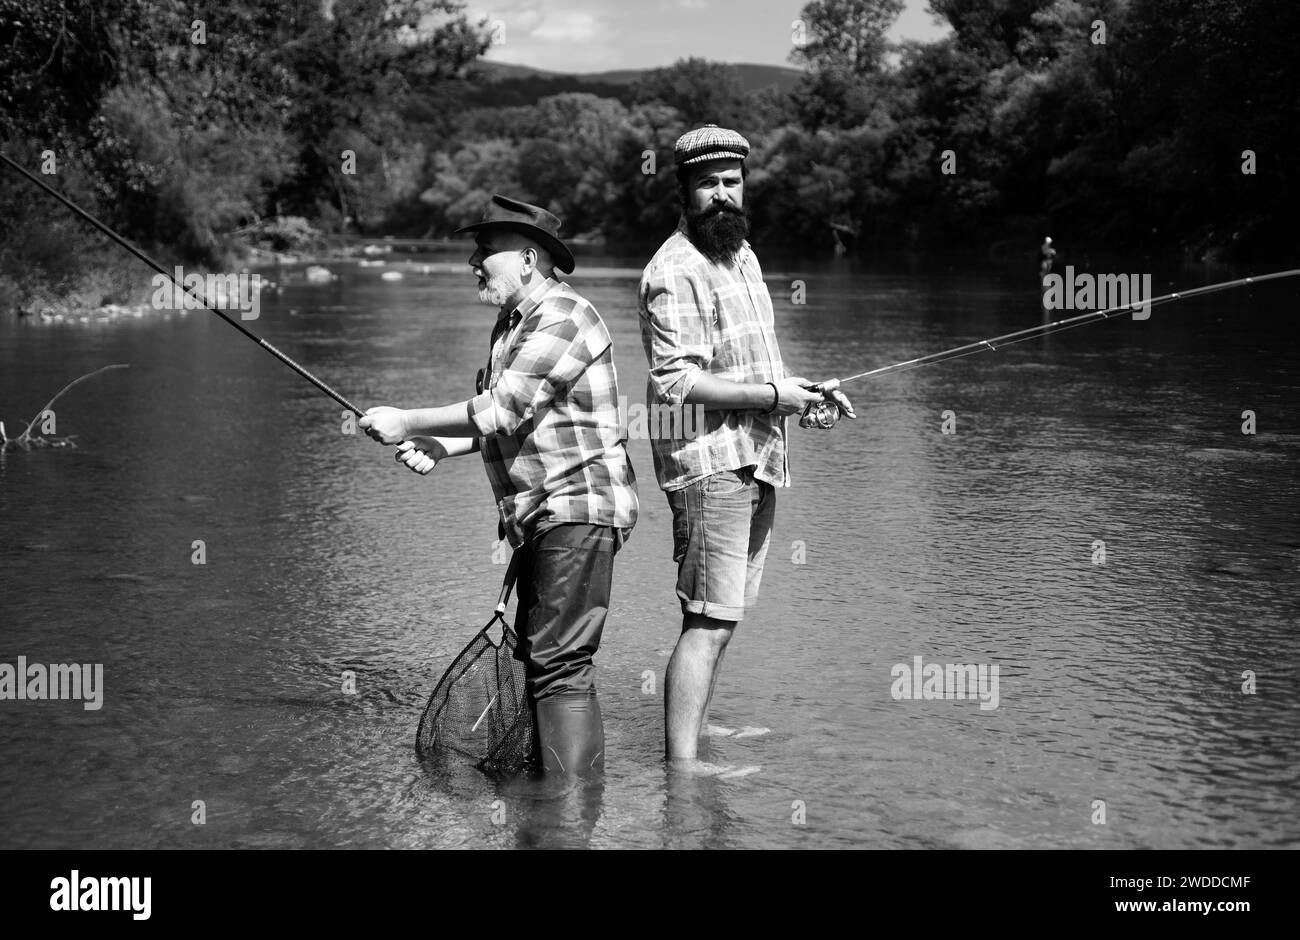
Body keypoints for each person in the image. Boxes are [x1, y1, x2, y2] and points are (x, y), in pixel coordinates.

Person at [360, 194, 637, 778]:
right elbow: (511, 423)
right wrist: (443, 445)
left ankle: (571, 805)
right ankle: (557, 808)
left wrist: (406, 420)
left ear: (528, 260)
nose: (473, 262)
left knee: (560, 664)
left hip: (576, 508)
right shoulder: (511, 323)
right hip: (543, 516)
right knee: (545, 660)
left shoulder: (565, 316)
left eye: (485, 250)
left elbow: (500, 407)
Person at [636, 125, 855, 765]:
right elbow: (676, 384)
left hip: (756, 459)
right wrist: (770, 396)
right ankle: (683, 769)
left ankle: (698, 732)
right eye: (708, 184)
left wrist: (804, 392)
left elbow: (757, 364)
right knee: (707, 620)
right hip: (709, 466)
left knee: (723, 615)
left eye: (731, 182)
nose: (722, 195)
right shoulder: (675, 269)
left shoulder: (742, 255)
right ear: (684, 192)